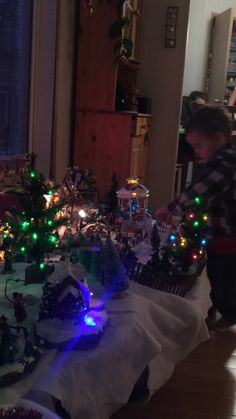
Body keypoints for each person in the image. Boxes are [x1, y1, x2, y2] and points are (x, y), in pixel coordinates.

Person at [156, 106, 236, 331]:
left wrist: (172, 208)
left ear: (219, 139)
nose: (197, 153)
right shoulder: (219, 161)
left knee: (223, 277)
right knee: (212, 274)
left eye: (199, 146)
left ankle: (229, 313)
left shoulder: (226, 161)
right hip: (218, 235)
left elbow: (200, 190)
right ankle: (211, 309)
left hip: (229, 236)